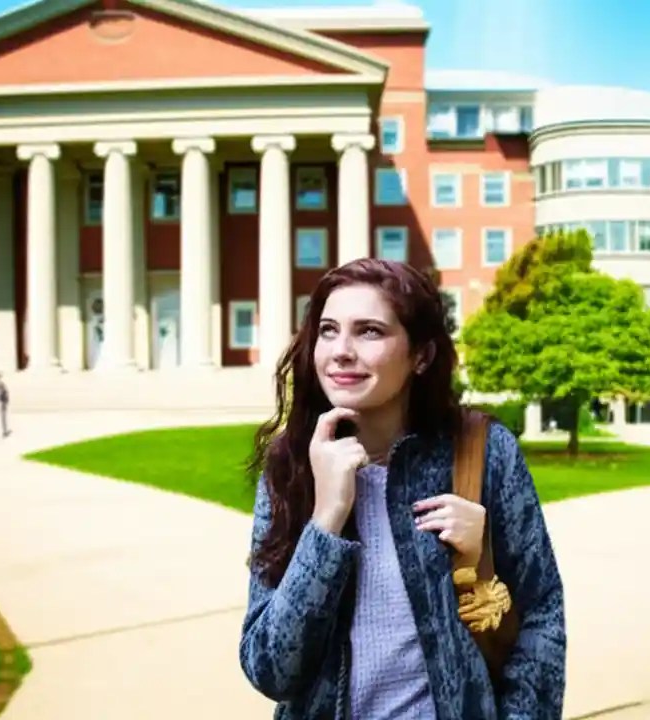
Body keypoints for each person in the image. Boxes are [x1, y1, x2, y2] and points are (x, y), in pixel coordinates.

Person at [240, 258, 566, 719]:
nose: (341, 351)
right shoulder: (291, 464)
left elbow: (542, 617)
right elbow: (271, 670)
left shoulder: (483, 451)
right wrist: (326, 519)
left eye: (369, 331)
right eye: (329, 330)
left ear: (421, 355)